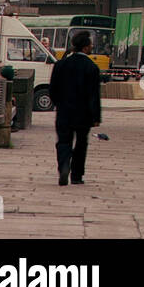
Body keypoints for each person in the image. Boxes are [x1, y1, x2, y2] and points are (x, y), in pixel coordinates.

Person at [49, 29, 101, 186]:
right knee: (81, 143)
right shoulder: (92, 68)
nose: (92, 47)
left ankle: (64, 166)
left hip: (64, 111)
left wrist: (59, 104)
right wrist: (96, 117)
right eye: (90, 45)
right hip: (83, 114)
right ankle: (77, 175)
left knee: (63, 141)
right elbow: (94, 95)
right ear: (85, 48)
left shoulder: (60, 65)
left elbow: (53, 90)